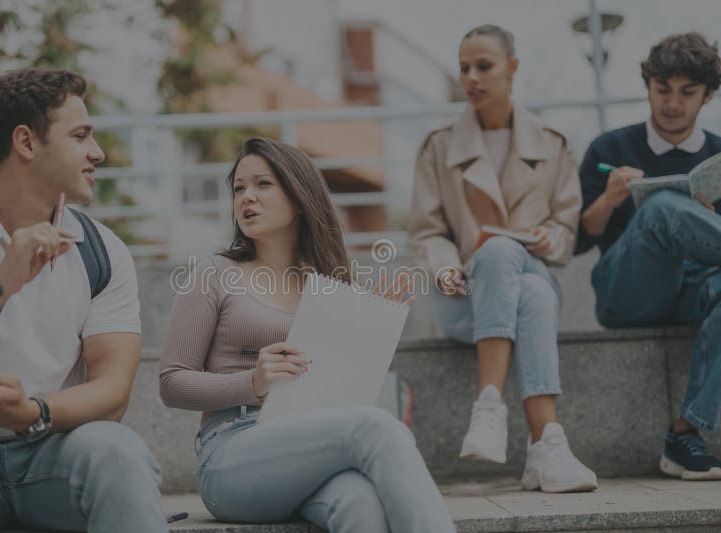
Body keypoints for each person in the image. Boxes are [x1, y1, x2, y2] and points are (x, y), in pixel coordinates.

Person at [160, 137, 457, 532]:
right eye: (239, 188)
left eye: (263, 184)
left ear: (299, 197)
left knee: (360, 503)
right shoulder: (215, 273)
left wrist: (370, 327)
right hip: (231, 453)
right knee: (377, 426)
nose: (247, 196)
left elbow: (339, 387)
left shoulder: (328, 284)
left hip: (309, 445)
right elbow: (172, 383)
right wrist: (252, 382)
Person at [0, 69, 166, 532]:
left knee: (120, 450)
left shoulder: (103, 249)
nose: (98, 153)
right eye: (80, 135)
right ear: (26, 143)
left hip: (51, 459)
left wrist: (32, 412)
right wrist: (2, 284)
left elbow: (113, 394)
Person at [409, 24, 597, 493]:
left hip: (533, 267)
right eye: (464, 68)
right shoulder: (438, 144)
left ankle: (489, 406)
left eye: (484, 66)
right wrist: (446, 267)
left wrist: (543, 237)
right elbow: (428, 231)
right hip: (466, 297)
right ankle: (545, 446)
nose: (471, 77)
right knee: (525, 287)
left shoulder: (552, 142)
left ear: (512, 68)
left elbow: (566, 228)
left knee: (512, 261)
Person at [577, 32, 721, 480]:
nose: (673, 103)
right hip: (627, 294)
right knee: (660, 210)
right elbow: (578, 241)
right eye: (663, 89)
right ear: (648, 86)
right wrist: (610, 198)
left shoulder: (718, 155)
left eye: (687, 92)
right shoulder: (609, 149)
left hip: (695, 292)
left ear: (708, 96)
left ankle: (685, 435)